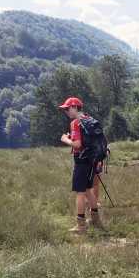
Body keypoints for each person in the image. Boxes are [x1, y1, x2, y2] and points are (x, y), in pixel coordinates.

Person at [58, 97, 103, 234]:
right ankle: (96, 220)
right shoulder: (89, 119)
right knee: (89, 190)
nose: (66, 111)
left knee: (80, 192)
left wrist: (65, 139)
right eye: (64, 109)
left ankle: (81, 226)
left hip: (81, 161)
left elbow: (77, 145)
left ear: (75, 107)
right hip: (91, 160)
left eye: (67, 108)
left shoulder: (76, 123)